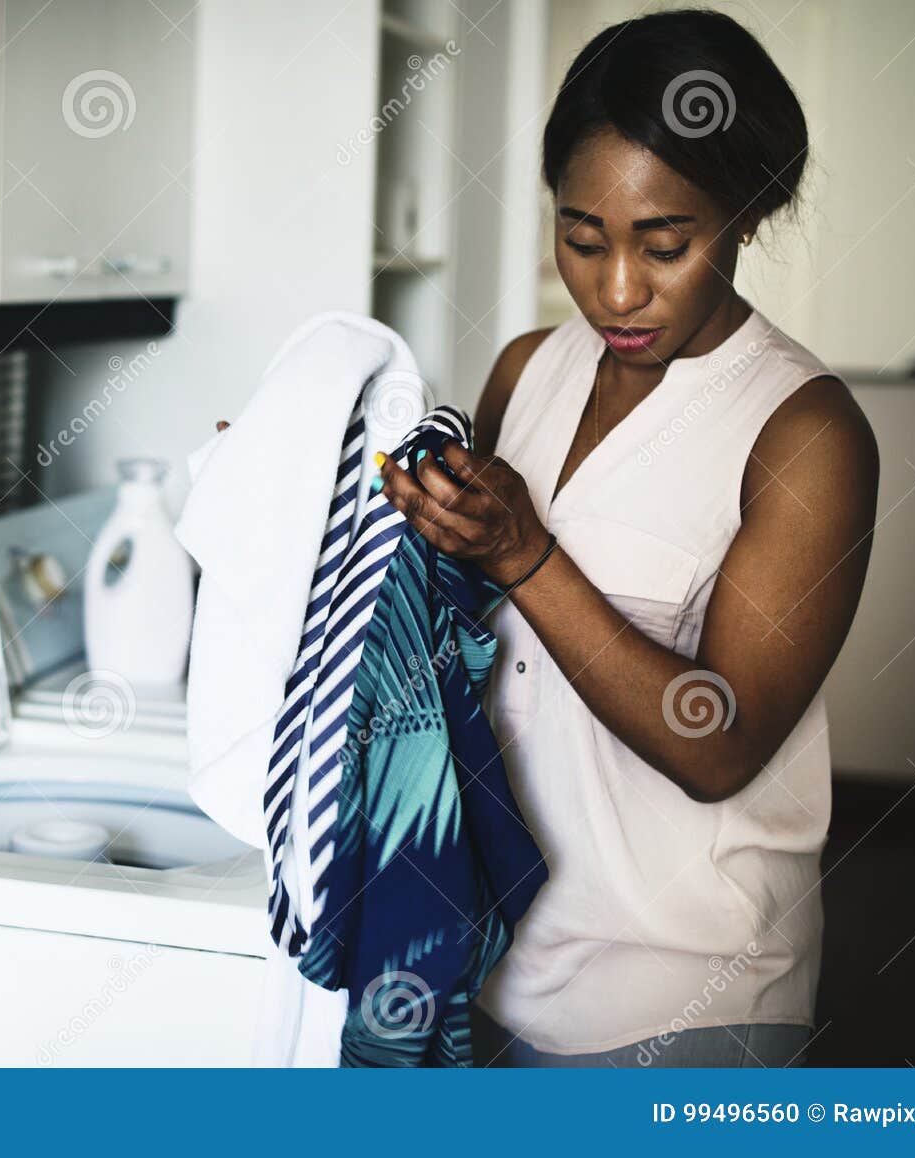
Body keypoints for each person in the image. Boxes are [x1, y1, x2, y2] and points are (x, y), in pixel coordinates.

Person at [374, 8, 879, 1067]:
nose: (614, 291)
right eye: (580, 237)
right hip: (495, 956)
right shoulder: (527, 370)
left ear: (747, 211)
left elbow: (721, 745)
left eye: (664, 245)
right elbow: (449, 607)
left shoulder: (802, 431)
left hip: (687, 992)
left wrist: (526, 555)